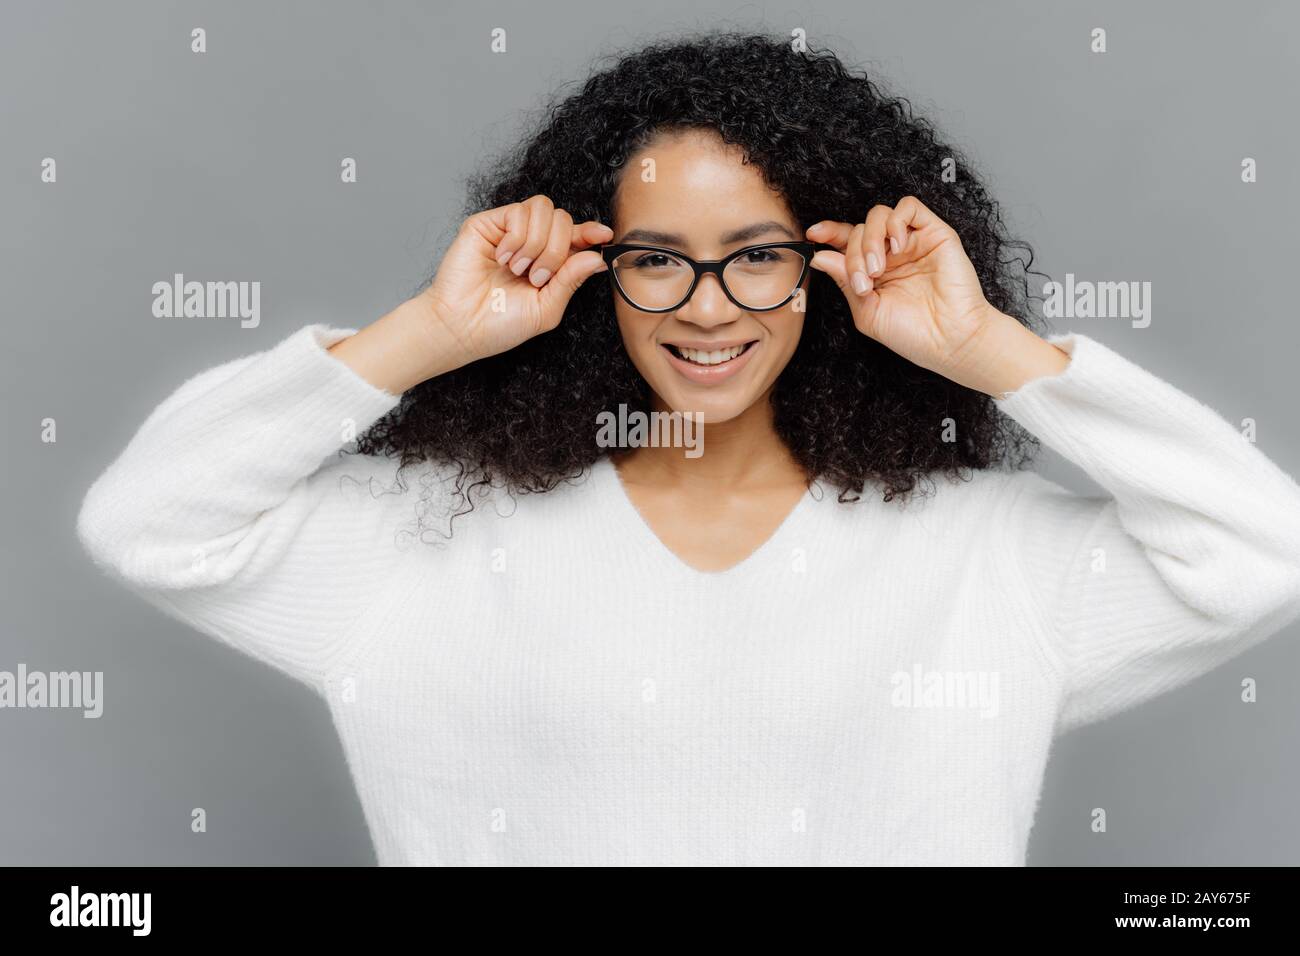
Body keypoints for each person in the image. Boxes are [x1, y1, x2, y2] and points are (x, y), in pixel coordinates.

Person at [77, 33, 1300, 865]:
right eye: (656, 257)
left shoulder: (986, 555)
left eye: (758, 255)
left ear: (829, 269)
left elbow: (1260, 553)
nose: (707, 308)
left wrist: (982, 346)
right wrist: (430, 332)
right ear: (590, 269)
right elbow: (148, 522)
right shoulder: (428, 538)